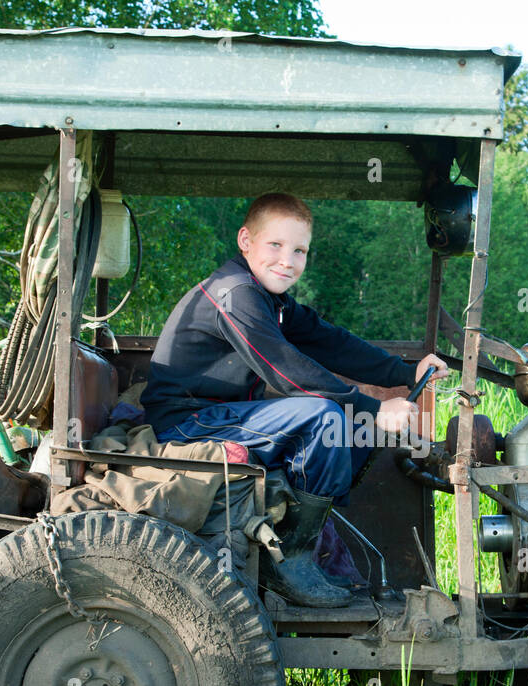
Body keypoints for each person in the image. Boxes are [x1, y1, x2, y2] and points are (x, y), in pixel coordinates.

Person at [141, 193, 449, 607]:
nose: (287, 260)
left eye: (299, 250)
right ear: (245, 240)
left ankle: (306, 549)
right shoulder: (235, 294)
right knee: (325, 416)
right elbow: (286, 371)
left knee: (352, 430)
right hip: (187, 423)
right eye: (275, 245)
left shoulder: (273, 301)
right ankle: (288, 561)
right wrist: (377, 408)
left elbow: (331, 344)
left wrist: (404, 373)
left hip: (221, 414)